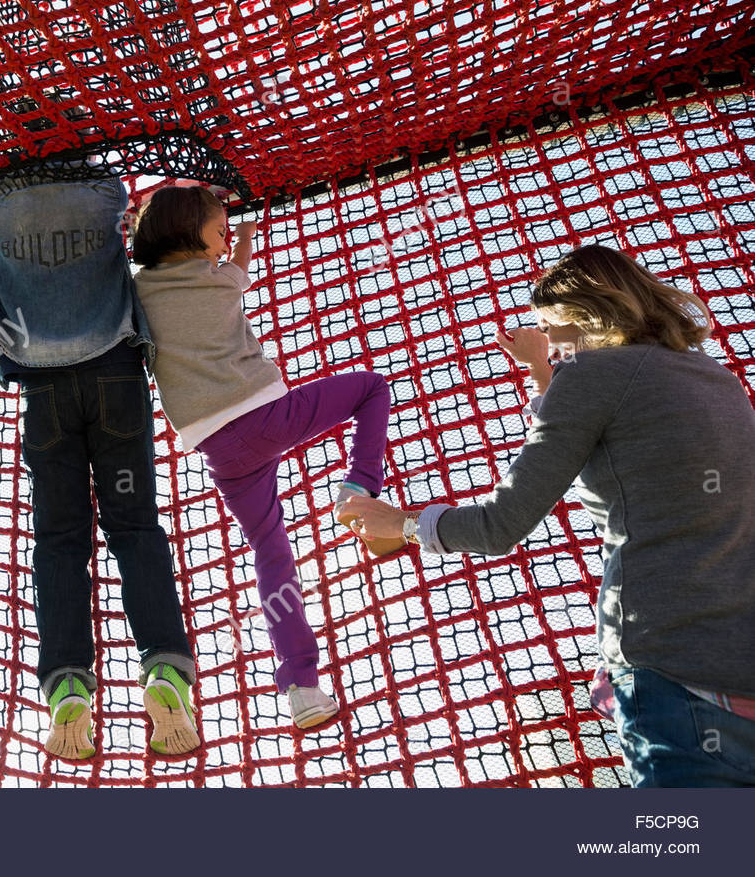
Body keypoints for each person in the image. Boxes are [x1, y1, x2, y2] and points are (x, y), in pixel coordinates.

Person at [340, 244, 755, 786]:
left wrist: (403, 523)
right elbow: (608, 438)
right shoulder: (711, 377)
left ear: (580, 314)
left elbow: (500, 524)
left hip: (671, 666)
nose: (550, 343)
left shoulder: (592, 373)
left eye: (548, 326)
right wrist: (541, 369)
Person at [0, 169, 201, 760]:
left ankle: (67, 685)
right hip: (113, 375)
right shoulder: (102, 192)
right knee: (135, 528)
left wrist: (14, 364)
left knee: (59, 544)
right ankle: (165, 673)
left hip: (45, 394)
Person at [130, 185, 392, 729]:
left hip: (217, 449)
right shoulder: (217, 278)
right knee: (370, 387)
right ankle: (361, 484)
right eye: (220, 230)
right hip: (267, 418)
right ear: (190, 232)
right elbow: (238, 269)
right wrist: (248, 239)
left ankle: (301, 685)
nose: (227, 241)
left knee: (272, 552)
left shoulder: (137, 293)